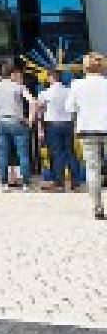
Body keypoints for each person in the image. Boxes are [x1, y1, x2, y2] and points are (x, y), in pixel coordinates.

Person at [0, 62, 39, 192]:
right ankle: (25, 185)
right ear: (12, 74)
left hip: (1, 122)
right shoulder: (18, 87)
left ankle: (4, 184)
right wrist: (29, 119)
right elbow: (33, 102)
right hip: (17, 122)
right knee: (22, 154)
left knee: (2, 154)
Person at [65, 52, 107, 220]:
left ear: (85, 67)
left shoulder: (76, 85)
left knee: (92, 169)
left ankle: (97, 207)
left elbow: (69, 108)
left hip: (87, 130)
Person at [38, 73, 79, 192]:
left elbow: (39, 111)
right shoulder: (69, 91)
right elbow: (74, 108)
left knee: (57, 154)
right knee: (70, 152)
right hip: (68, 124)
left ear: (51, 78)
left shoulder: (45, 93)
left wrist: (40, 128)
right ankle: (75, 183)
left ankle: (59, 183)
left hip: (52, 125)